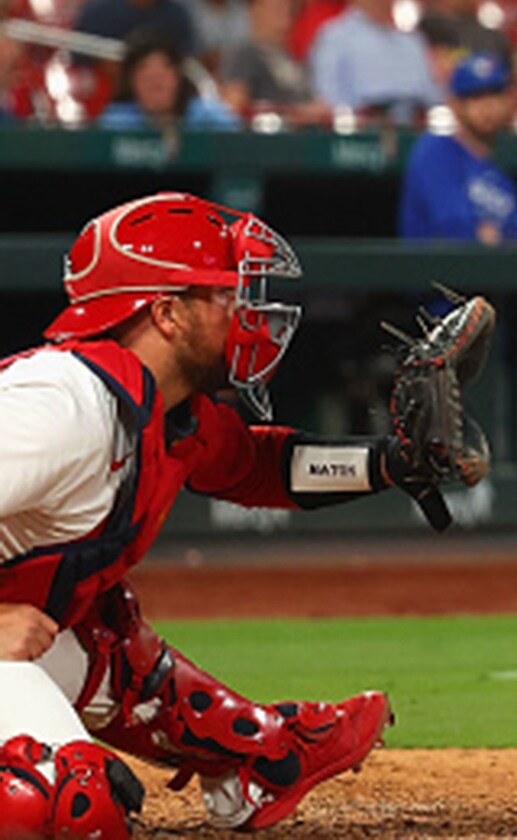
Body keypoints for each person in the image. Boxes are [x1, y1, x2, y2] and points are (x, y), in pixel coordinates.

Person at [0, 192, 486, 833]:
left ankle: (255, 759)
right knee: (58, 799)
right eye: (226, 294)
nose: (249, 312)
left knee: (99, 635)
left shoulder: (159, 411)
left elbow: (258, 466)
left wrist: (393, 463)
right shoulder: (63, 408)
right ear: (166, 313)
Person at [399, 53, 517, 244]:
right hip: (438, 264)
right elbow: (456, 230)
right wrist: (497, 237)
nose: (488, 106)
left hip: (489, 263)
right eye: (475, 97)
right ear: (455, 105)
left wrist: (497, 236)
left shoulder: (501, 174)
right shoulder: (436, 152)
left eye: (495, 94)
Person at [308, 0, 441, 118]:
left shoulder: (411, 41)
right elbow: (326, 96)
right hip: (360, 127)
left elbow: (432, 97)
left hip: (412, 124)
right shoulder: (335, 36)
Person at [95, 30, 242, 133]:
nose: (155, 79)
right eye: (144, 70)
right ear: (130, 81)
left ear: (178, 77)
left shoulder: (211, 119)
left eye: (164, 68)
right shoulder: (115, 124)